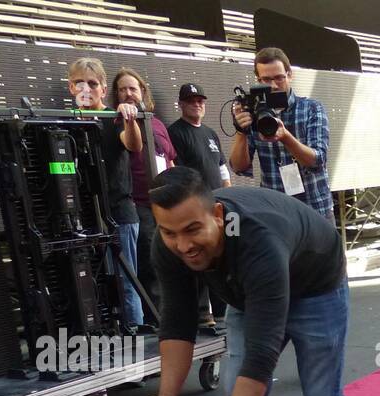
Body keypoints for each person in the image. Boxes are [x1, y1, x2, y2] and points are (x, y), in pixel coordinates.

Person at [114, 167, 352, 396]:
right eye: (169, 232)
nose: (183, 245)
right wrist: (167, 395)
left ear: (217, 215)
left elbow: (262, 354)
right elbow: (177, 319)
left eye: (192, 230)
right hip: (248, 292)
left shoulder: (257, 238)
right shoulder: (168, 247)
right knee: (236, 393)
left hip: (315, 287)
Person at [67, 57, 143, 328]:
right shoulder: (66, 123)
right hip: (84, 218)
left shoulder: (114, 118)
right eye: (79, 83)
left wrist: (130, 120)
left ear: (101, 88)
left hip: (119, 212)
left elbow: (134, 145)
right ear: (70, 87)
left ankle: (135, 332)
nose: (85, 89)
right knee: (92, 279)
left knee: (125, 279)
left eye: (92, 83)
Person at [229, 47, 333, 222]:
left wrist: (285, 137)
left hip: (315, 209)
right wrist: (241, 131)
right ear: (258, 79)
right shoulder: (253, 114)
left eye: (279, 78)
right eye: (266, 79)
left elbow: (317, 161)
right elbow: (239, 167)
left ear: (289, 74)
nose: (274, 85)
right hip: (275, 212)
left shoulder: (311, 108)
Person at [113, 68, 176, 323]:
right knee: (152, 263)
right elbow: (131, 145)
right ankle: (160, 321)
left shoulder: (158, 123)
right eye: (122, 89)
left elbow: (170, 159)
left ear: (142, 92)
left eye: (133, 88)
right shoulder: (118, 122)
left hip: (165, 202)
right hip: (139, 204)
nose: (128, 93)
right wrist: (129, 120)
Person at [168, 82, 231, 332]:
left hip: (218, 205)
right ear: (181, 104)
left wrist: (228, 195)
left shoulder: (210, 133)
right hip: (196, 207)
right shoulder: (176, 132)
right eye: (191, 100)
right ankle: (204, 314)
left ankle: (225, 310)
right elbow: (179, 172)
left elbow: (222, 167)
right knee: (199, 258)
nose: (197, 104)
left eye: (200, 100)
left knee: (221, 257)